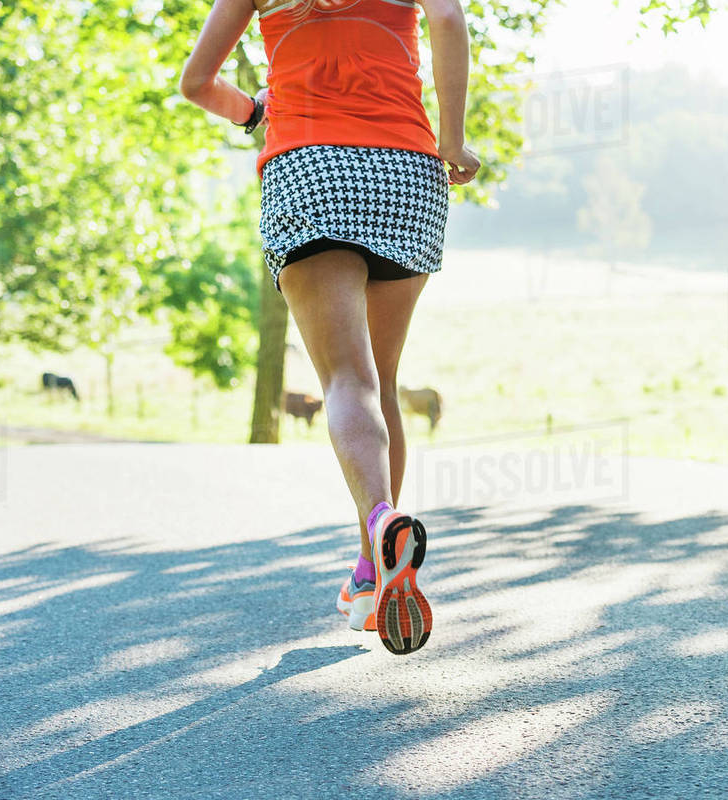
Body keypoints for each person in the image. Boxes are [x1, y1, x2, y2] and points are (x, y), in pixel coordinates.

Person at [179, 0, 480, 655]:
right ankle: (372, 574)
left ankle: (380, 521)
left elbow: (197, 82)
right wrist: (452, 140)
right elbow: (450, 19)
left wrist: (256, 111)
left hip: (309, 167)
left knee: (348, 381)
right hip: (407, 170)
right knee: (383, 378)